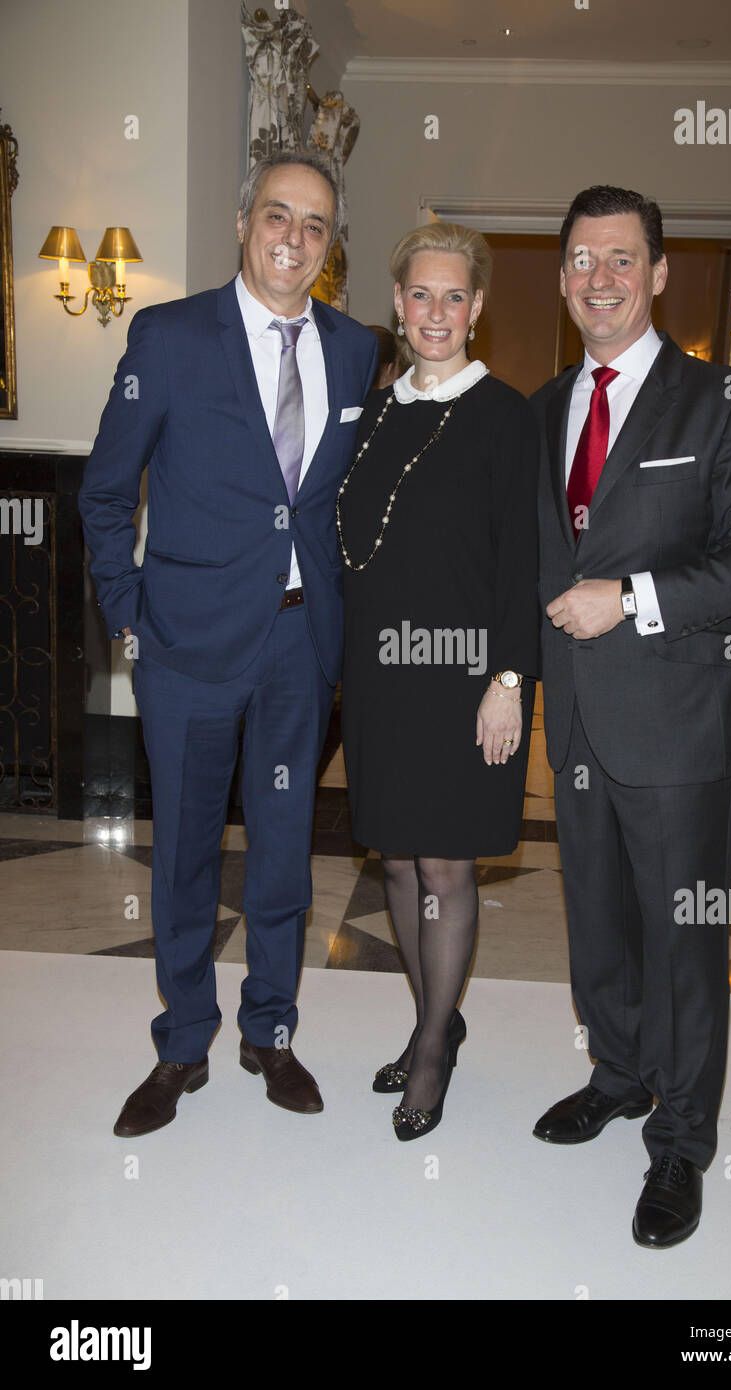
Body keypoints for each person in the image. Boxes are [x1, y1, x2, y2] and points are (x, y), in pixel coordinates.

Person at [79, 150, 378, 1137]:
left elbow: (336, 503)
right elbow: (105, 488)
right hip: (188, 648)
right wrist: (129, 610)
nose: (294, 237)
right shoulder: (167, 338)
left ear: (330, 248)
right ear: (243, 221)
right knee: (186, 857)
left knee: (286, 852)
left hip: (299, 648)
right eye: (278, 216)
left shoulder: (352, 350)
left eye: (315, 225)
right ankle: (181, 1043)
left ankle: (270, 1030)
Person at [531, 185, 731, 1247]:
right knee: (595, 918)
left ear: (656, 273)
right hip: (580, 723)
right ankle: (618, 1073)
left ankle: (681, 1143)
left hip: (680, 721)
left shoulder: (727, 401)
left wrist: (629, 599)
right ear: (560, 280)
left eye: (620, 257)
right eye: (581, 260)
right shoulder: (544, 403)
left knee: (682, 944)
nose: (599, 276)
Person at [338, 222, 539, 1140]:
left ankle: (430, 1053)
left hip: (464, 674)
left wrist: (508, 679)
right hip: (384, 675)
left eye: (454, 296)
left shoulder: (506, 415)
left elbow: (523, 563)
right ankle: (435, 1019)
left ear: (478, 309)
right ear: (398, 302)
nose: (436, 312)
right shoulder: (375, 411)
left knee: (446, 867)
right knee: (397, 857)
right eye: (421, 294)